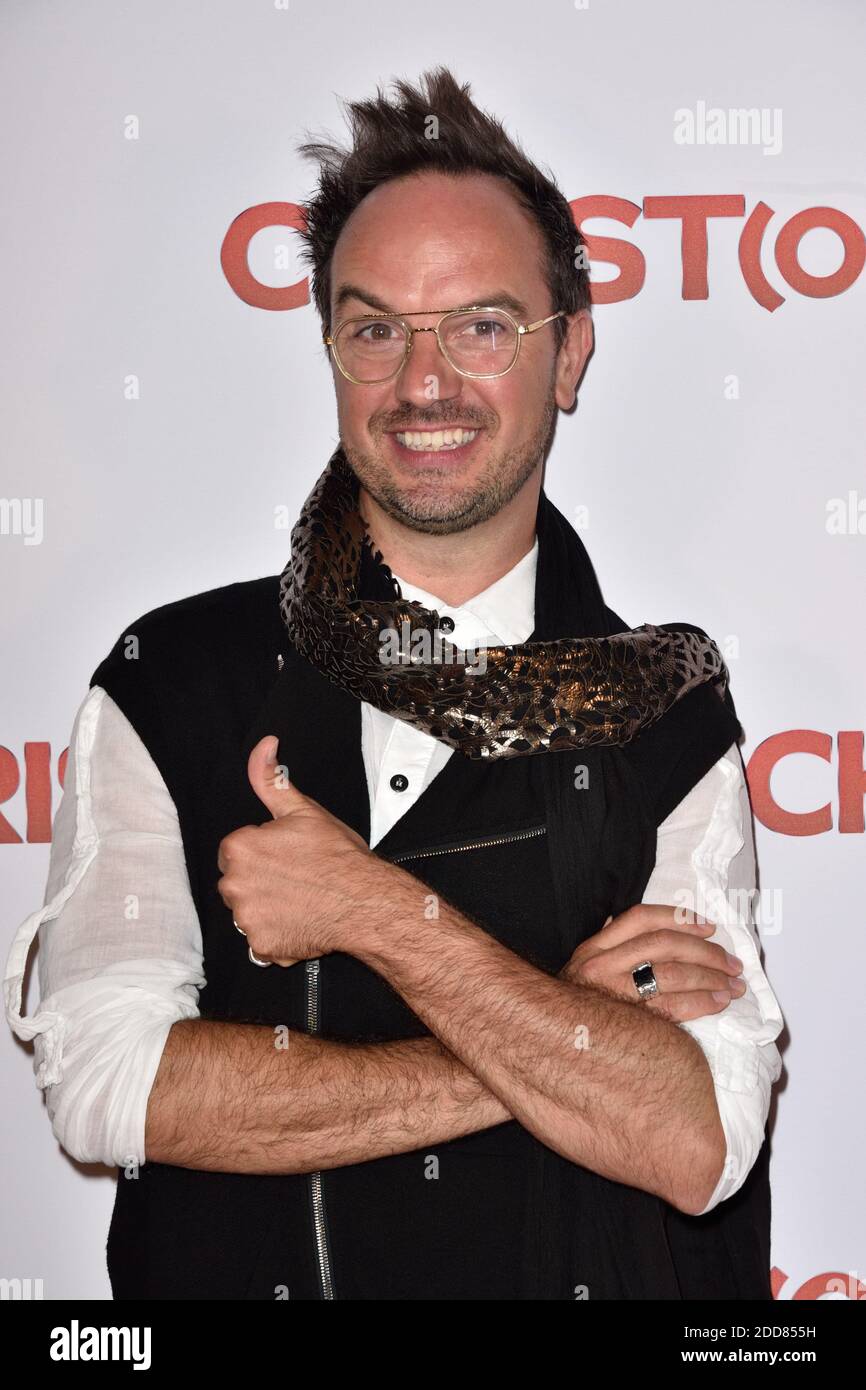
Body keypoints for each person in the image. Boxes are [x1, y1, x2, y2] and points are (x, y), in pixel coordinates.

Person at [5, 67, 783, 1300]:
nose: (423, 383)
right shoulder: (173, 679)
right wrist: (550, 1042)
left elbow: (691, 1139)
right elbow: (109, 1087)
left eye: (480, 325)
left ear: (567, 353)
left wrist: (367, 909)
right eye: (376, 329)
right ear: (329, 352)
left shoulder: (662, 704)